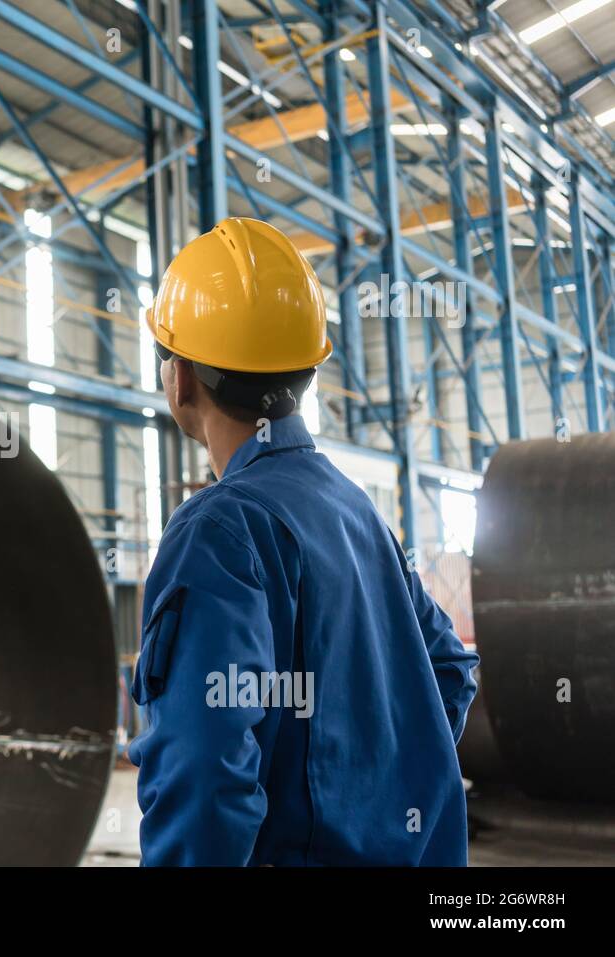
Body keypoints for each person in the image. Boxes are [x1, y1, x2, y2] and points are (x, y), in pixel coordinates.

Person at [131, 216, 479, 866]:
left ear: (179, 379)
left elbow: (204, 772)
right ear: (306, 374)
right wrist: (378, 795)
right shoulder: (358, 513)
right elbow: (449, 671)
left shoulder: (218, 530)